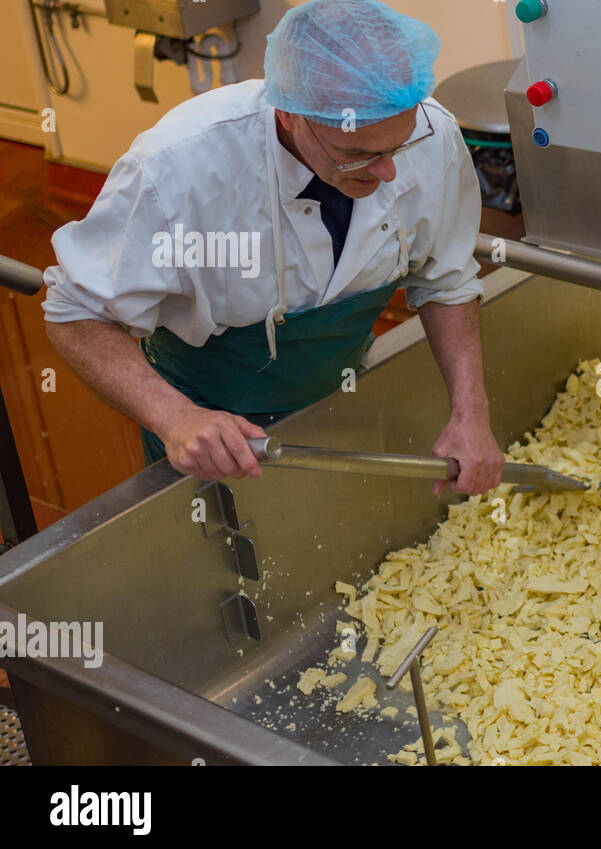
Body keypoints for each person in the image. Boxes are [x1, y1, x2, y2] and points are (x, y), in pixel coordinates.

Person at [42, 0, 504, 494]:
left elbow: (445, 280)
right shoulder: (176, 171)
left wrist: (471, 414)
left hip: (343, 397)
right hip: (212, 430)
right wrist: (175, 418)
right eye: (357, 155)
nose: (387, 171)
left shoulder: (431, 133)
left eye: (399, 146)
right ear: (289, 116)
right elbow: (76, 313)